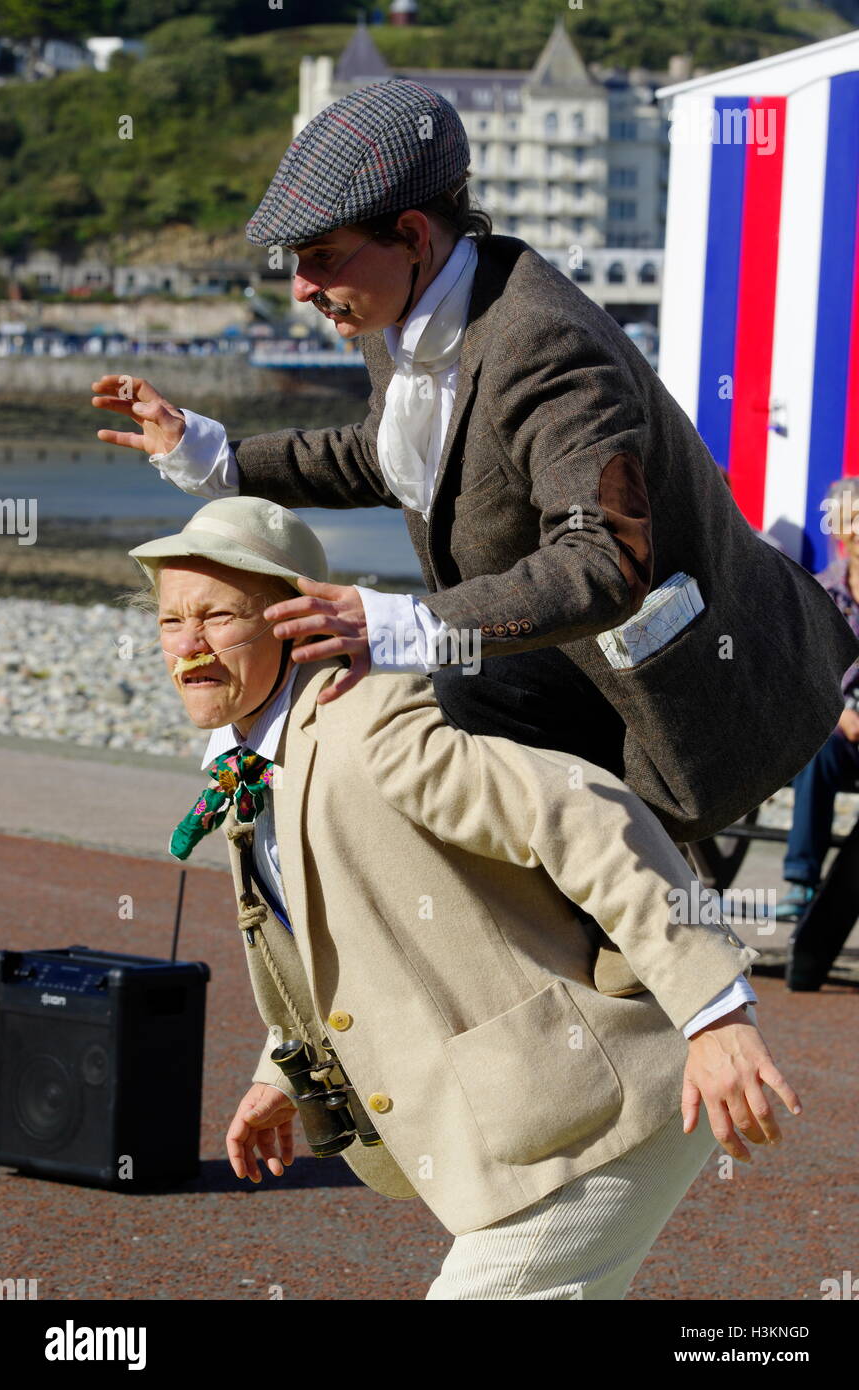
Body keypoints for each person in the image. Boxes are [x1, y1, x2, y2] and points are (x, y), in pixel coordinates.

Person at [93, 77, 859, 847]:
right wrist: (213, 455)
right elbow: (388, 456)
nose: (300, 287)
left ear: (413, 235)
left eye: (320, 257)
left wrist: (392, 619)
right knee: (428, 717)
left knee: (451, 708)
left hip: (685, 699)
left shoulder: (546, 342)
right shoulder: (396, 310)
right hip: (554, 658)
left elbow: (604, 561)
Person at [124, 495, 804, 1301]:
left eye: (217, 618)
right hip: (534, 1130)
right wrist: (280, 1069)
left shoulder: (367, 721)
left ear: (292, 621)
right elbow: (330, 932)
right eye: (172, 621)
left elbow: (576, 813)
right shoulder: (250, 762)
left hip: (609, 1104)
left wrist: (714, 1010)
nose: (189, 646)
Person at [775, 480, 859, 921]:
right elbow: (802, 670)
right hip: (842, 727)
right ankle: (801, 881)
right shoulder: (822, 591)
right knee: (818, 749)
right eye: (853, 519)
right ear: (840, 530)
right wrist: (840, 712)